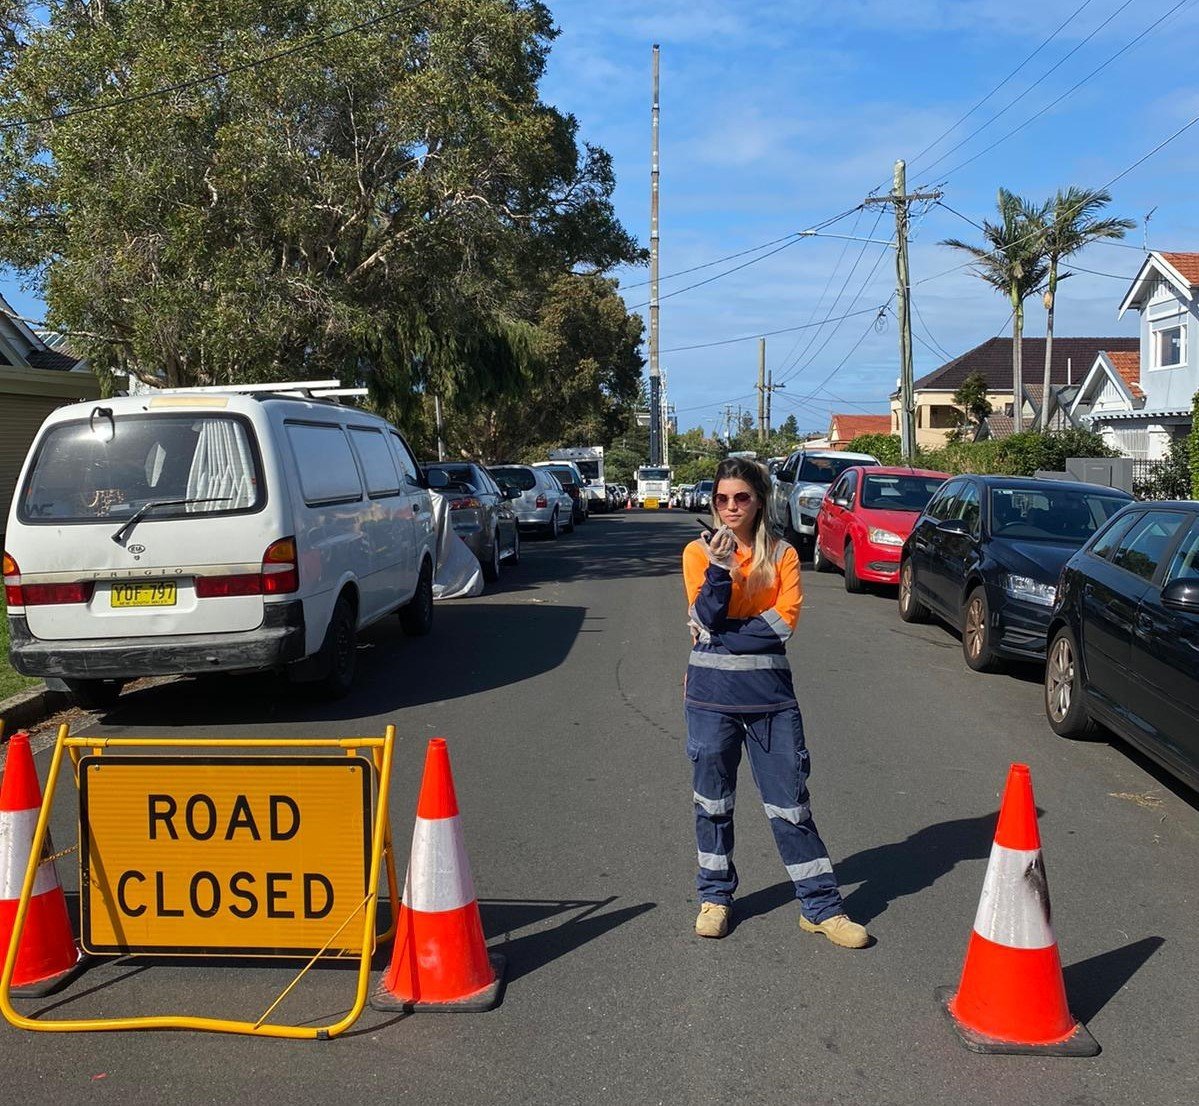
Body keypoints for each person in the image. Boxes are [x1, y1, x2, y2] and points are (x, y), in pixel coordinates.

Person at [681, 457, 868, 947]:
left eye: (740, 497)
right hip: (710, 701)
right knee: (712, 804)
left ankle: (822, 908)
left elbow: (781, 626)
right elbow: (705, 613)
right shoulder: (698, 554)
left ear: (759, 499)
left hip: (771, 703)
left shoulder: (783, 555)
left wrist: (718, 634)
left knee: (790, 806)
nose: (730, 507)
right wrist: (720, 573)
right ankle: (714, 899)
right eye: (721, 499)